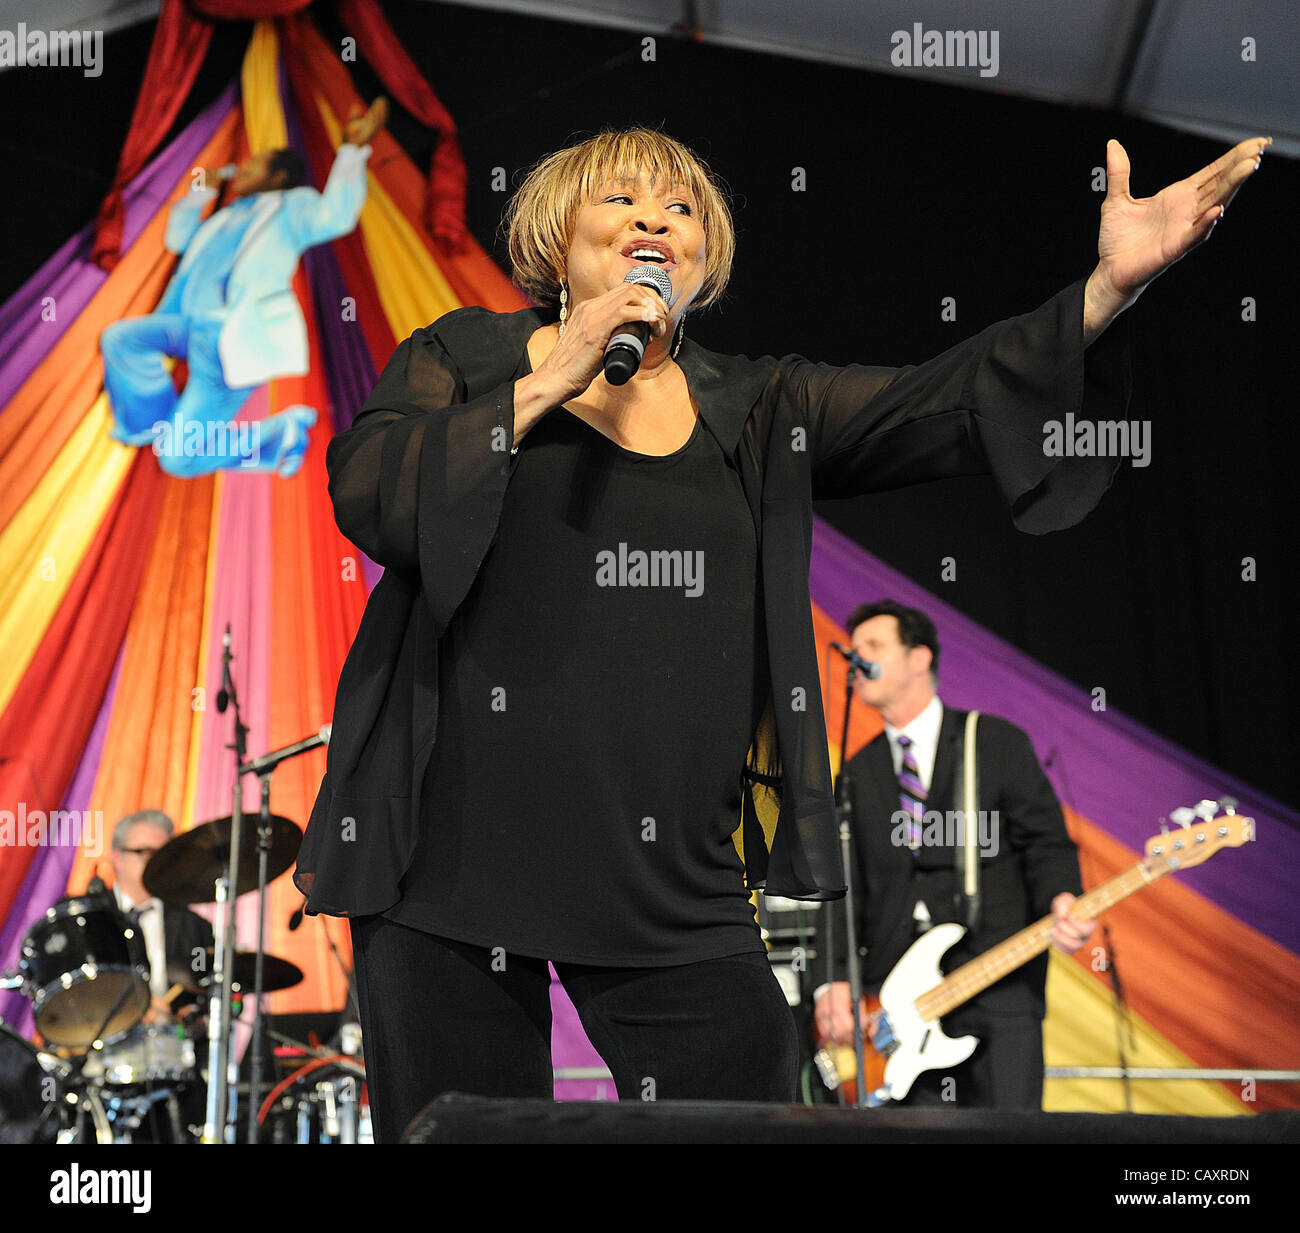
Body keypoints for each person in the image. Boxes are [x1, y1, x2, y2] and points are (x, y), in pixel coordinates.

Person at [292, 125, 1268, 1141]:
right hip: (449, 862)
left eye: (679, 212)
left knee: (757, 1121)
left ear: (703, 257)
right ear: (554, 239)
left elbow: (938, 402)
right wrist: (551, 380)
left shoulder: (758, 406)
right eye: (622, 202)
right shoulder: (464, 354)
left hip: (672, 876)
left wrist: (1105, 292)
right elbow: (372, 492)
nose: (652, 222)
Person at [814, 601, 1093, 1108]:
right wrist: (829, 980)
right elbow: (842, 886)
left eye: (873, 647)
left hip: (1000, 989)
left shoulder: (995, 743)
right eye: (853, 649)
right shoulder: (857, 772)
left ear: (919, 659)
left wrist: (1062, 897)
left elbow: (1046, 842)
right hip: (900, 1007)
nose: (856, 659)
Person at [99, 98, 388, 478]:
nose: (243, 170)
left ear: (278, 176)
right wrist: (204, 189)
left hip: (230, 340)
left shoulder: (291, 207)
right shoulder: (226, 215)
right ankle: (149, 424)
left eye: (254, 165)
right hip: (185, 324)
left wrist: (352, 150)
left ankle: (281, 433)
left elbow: (336, 215)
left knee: (176, 460)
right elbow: (178, 238)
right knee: (120, 338)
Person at [105, 809, 214, 1024]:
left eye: (165, 855)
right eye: (146, 853)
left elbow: (203, 977)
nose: (157, 863)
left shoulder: (194, 927)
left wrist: (193, 1011)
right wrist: (134, 1008)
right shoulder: (91, 916)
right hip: (104, 1042)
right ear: (118, 857)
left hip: (171, 1045)